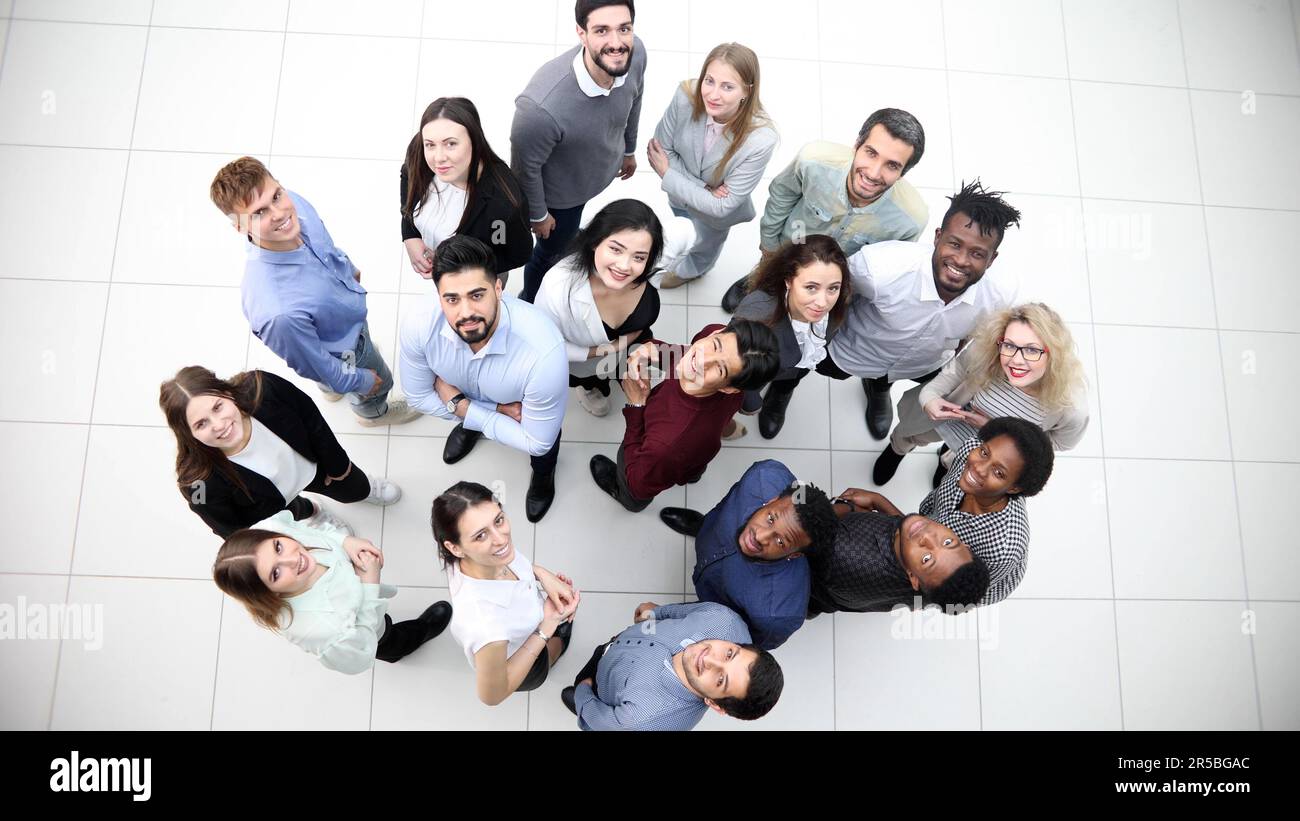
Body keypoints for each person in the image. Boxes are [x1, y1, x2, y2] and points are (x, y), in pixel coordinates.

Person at [210, 156, 419, 427]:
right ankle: (372, 413)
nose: (280, 213)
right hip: (344, 350)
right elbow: (313, 362)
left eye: (276, 196)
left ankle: (332, 389)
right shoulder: (277, 311)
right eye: (259, 213)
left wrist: (347, 270)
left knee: (330, 374)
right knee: (378, 383)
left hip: (343, 320)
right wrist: (361, 380)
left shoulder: (293, 204)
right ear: (240, 226)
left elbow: (325, 244)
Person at [823, 179, 1022, 441]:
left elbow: (974, 338)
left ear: (991, 259)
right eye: (954, 244)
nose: (961, 261)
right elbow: (832, 296)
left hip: (921, 364)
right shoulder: (880, 267)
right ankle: (783, 391)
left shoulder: (999, 297)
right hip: (853, 352)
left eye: (977, 254)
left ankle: (879, 388)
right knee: (815, 371)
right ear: (938, 237)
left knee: (887, 380)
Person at [398, 235, 569, 522]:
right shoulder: (419, 324)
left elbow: (538, 441)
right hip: (481, 404)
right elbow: (417, 396)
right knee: (468, 414)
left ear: (498, 288)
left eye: (477, 295)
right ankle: (471, 426)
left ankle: (543, 475)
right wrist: (476, 410)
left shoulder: (543, 354)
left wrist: (459, 403)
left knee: (543, 454)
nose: (466, 313)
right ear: (438, 295)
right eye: (451, 299)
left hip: (514, 415)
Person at [720, 107, 929, 312]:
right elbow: (782, 195)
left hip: (832, 284)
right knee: (766, 282)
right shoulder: (813, 161)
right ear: (857, 145)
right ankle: (759, 283)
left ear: (903, 172)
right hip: (793, 245)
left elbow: (885, 269)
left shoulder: (910, 221)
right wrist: (769, 249)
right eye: (871, 153)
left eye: (892, 165)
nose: (874, 173)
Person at [160, 366, 401, 539]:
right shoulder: (197, 483)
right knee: (299, 512)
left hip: (315, 466)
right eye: (201, 424)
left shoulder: (262, 388)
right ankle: (314, 514)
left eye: (218, 407)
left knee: (355, 489)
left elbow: (309, 416)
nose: (219, 424)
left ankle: (363, 487)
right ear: (187, 433)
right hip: (270, 506)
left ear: (227, 394)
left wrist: (338, 465)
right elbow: (226, 526)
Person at [510, 0, 647, 302]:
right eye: (602, 31)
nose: (617, 43)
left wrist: (629, 148)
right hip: (560, 202)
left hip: (596, 171)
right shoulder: (539, 110)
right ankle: (531, 299)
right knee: (550, 254)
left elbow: (634, 100)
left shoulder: (634, 55)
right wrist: (538, 215)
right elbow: (524, 170)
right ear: (581, 34)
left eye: (624, 29)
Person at [874, 302, 1089, 486]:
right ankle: (897, 451)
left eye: (1032, 350)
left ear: (1054, 354)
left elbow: (1059, 444)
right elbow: (956, 369)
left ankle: (946, 462)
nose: (1016, 361)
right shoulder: (989, 349)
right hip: (952, 415)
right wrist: (929, 396)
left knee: (957, 463)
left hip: (987, 447)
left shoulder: (1070, 407)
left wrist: (993, 431)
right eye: (1009, 346)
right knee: (911, 435)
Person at [213, 511, 452, 674]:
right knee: (387, 638)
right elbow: (360, 651)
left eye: (279, 546)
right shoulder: (318, 629)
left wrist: (344, 541)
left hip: (358, 592)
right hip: (370, 631)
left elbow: (303, 529)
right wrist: (370, 583)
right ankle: (409, 642)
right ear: (268, 594)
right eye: (275, 573)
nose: (293, 559)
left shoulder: (268, 529)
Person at [588, 320, 780, 511]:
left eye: (720, 368)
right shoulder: (712, 333)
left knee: (634, 491)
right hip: (699, 444)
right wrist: (659, 350)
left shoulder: (668, 444)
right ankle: (692, 474)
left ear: (730, 389)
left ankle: (627, 500)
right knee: (691, 466)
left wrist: (636, 404)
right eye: (715, 345)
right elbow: (687, 352)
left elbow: (639, 486)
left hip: (670, 451)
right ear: (717, 332)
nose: (702, 360)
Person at [534, 199, 694, 417]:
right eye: (616, 249)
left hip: (635, 345)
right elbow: (547, 346)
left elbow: (686, 229)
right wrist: (610, 348)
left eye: (639, 257)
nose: (624, 266)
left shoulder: (653, 264)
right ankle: (590, 388)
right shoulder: (558, 289)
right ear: (594, 242)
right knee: (591, 377)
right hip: (589, 358)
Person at [657, 460, 838, 650]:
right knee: (712, 527)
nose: (759, 537)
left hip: (715, 608)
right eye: (770, 519)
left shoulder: (776, 614)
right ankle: (700, 526)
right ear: (772, 500)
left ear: (794, 555)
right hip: (712, 535)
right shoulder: (764, 475)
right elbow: (727, 502)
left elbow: (748, 644)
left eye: (780, 541)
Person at [432, 482, 581, 705]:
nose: (501, 539)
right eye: (481, 536)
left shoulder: (480, 557)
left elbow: (511, 563)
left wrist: (540, 574)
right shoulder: (486, 627)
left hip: (529, 628)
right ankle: (556, 648)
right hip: (520, 658)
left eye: (499, 520)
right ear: (455, 548)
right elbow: (492, 696)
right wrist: (547, 628)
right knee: (545, 659)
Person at [646, 42, 777, 289]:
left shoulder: (761, 139)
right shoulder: (686, 95)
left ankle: (694, 270)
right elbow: (660, 151)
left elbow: (721, 207)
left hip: (713, 217)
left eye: (727, 87)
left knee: (706, 243)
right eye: (709, 81)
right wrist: (704, 188)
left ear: (747, 91)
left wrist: (669, 173)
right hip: (679, 197)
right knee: (683, 221)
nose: (713, 95)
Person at [560, 601, 783, 730]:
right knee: (600, 651)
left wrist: (584, 695)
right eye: (729, 653)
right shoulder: (725, 621)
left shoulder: (641, 721)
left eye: (721, 679)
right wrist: (654, 613)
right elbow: (682, 612)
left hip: (599, 689)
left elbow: (602, 721)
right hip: (617, 645)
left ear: (715, 704)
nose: (708, 659)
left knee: (584, 692)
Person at [919, 418, 1055, 605]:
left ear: (1014, 488)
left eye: (998, 473)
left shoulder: (1002, 549)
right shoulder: (971, 449)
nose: (978, 468)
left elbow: (966, 589)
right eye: (984, 452)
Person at [399, 96, 533, 283]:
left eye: (451, 144)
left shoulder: (502, 205)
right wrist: (410, 235)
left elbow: (515, 253)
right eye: (430, 144)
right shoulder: (419, 152)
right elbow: (408, 176)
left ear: (474, 140)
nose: (438, 157)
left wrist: (459, 268)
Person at [731, 235, 851, 438]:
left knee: (793, 376)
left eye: (833, 288)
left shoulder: (838, 306)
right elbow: (739, 371)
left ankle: (781, 392)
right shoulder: (757, 314)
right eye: (811, 287)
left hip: (792, 369)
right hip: (763, 372)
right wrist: (750, 401)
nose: (822, 302)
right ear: (788, 280)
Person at [807, 491, 991, 615]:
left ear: (913, 578)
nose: (927, 537)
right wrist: (878, 501)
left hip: (818, 581)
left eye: (927, 559)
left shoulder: (844, 554)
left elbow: (806, 529)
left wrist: (848, 507)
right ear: (964, 544)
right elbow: (907, 527)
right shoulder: (932, 583)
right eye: (948, 542)